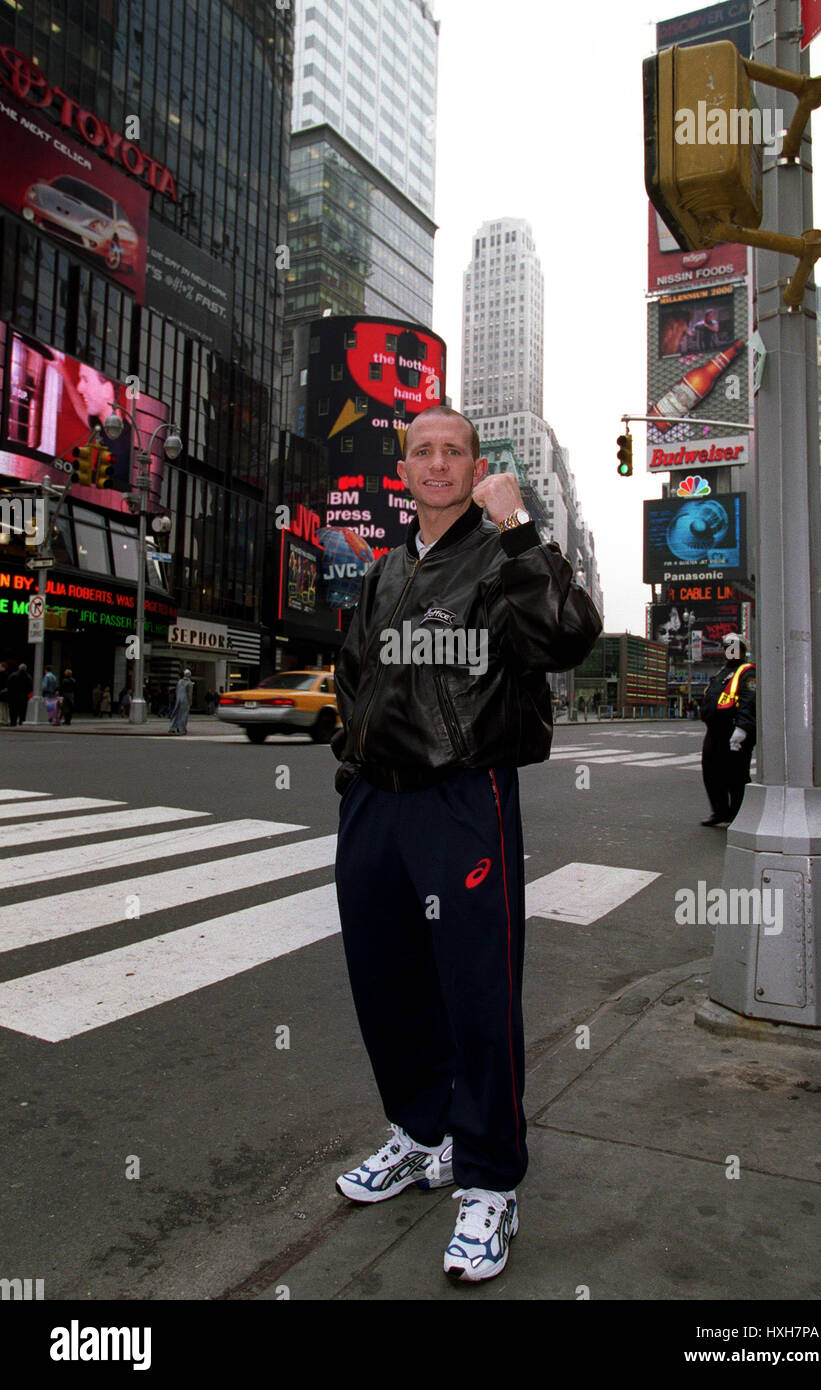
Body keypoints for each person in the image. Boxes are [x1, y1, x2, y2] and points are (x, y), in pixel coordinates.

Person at [331, 404, 601, 1284]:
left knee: (477, 994)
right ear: (402, 471)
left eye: (454, 451)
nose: (438, 464)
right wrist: (350, 774)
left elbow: (569, 635)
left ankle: (489, 1181)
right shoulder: (381, 572)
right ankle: (421, 1134)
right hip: (376, 803)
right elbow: (353, 676)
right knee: (387, 985)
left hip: (462, 797)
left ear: (477, 465)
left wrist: (518, 525)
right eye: (422, 452)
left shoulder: (500, 553)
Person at [699, 636, 756, 826]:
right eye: (727, 647)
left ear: (742, 650)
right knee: (711, 771)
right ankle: (720, 811)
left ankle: (738, 814)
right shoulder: (723, 672)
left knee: (736, 775)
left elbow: (749, 700)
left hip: (734, 730)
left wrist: (742, 728)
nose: (730, 651)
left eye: (734, 647)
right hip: (715, 730)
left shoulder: (747, 672)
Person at [168, 669, 194, 734]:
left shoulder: (179, 682)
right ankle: (181, 729)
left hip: (178, 700)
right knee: (184, 715)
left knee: (175, 713)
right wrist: (190, 702)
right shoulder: (189, 683)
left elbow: (176, 691)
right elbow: (189, 694)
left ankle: (172, 727)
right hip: (185, 700)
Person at [0, 661, 10, 725]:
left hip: (2, 693)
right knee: (6, 708)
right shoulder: (8, 674)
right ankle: (6, 720)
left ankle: (2, 720)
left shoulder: (2, 675)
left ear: (3, 667)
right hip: (7, 694)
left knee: (2, 708)